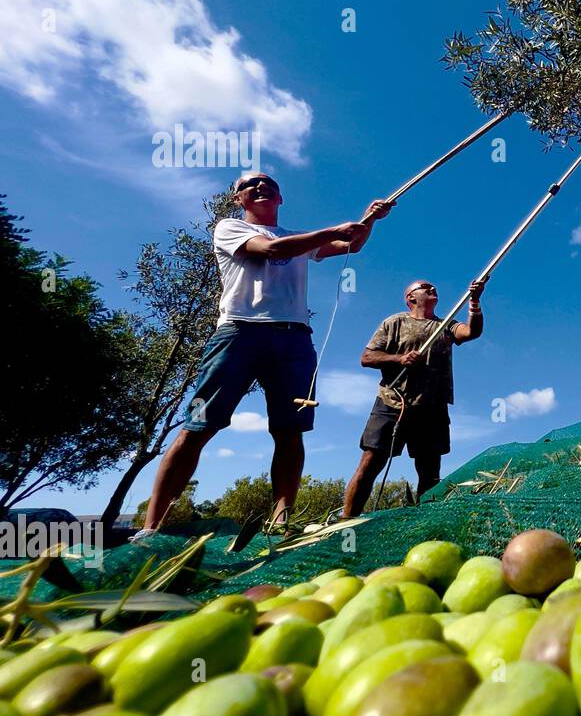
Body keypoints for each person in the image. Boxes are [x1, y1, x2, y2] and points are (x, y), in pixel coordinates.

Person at [130, 173, 392, 542]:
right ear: (239, 199)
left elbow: (352, 245)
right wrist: (333, 228)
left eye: (267, 182)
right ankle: (152, 527)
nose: (259, 185)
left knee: (290, 431)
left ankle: (280, 521)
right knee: (199, 426)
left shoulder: (295, 237)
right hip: (239, 333)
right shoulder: (229, 228)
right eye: (248, 184)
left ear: (280, 198)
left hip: (294, 339)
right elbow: (270, 250)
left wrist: (369, 219)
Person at [342, 276, 487, 515]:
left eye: (433, 285)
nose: (432, 287)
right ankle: (345, 522)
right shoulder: (395, 322)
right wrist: (399, 358)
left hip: (432, 408)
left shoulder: (446, 325)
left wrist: (474, 300)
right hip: (392, 402)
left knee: (430, 472)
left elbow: (471, 332)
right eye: (425, 287)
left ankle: (424, 524)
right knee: (370, 464)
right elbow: (367, 357)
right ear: (411, 297)